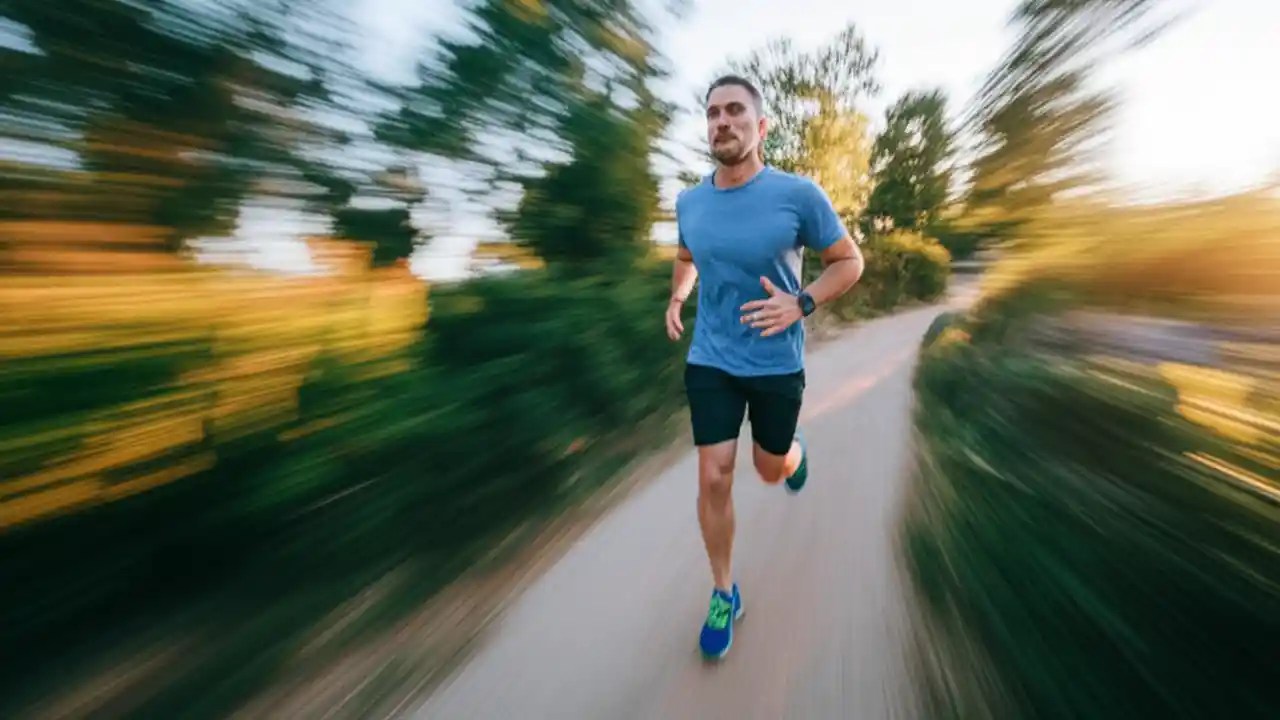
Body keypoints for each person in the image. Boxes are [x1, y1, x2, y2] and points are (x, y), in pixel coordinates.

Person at [665, 74, 865, 660]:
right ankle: (725, 591)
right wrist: (678, 297)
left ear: (761, 126)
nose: (721, 122)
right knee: (714, 475)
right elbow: (685, 256)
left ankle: (792, 453)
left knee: (769, 469)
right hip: (712, 359)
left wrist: (800, 302)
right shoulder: (690, 202)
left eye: (734, 111)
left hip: (777, 362)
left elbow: (849, 262)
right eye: (712, 114)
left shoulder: (798, 195)